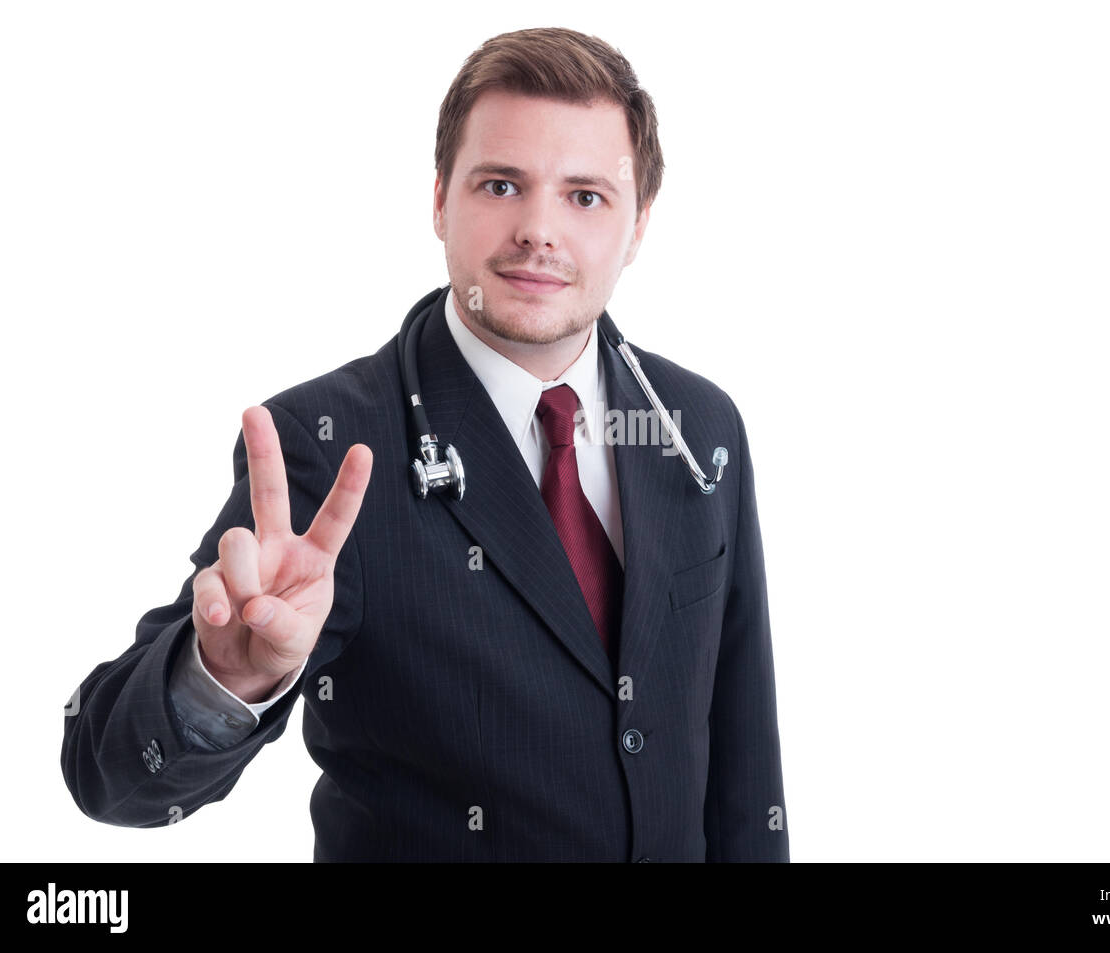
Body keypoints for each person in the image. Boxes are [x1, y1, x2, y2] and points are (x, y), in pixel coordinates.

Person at [61, 26, 788, 862]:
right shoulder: (332, 447)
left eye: (586, 195)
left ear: (639, 224)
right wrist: (229, 676)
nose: (539, 231)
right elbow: (104, 772)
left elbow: (744, 772)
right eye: (502, 184)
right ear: (440, 198)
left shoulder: (700, 426)